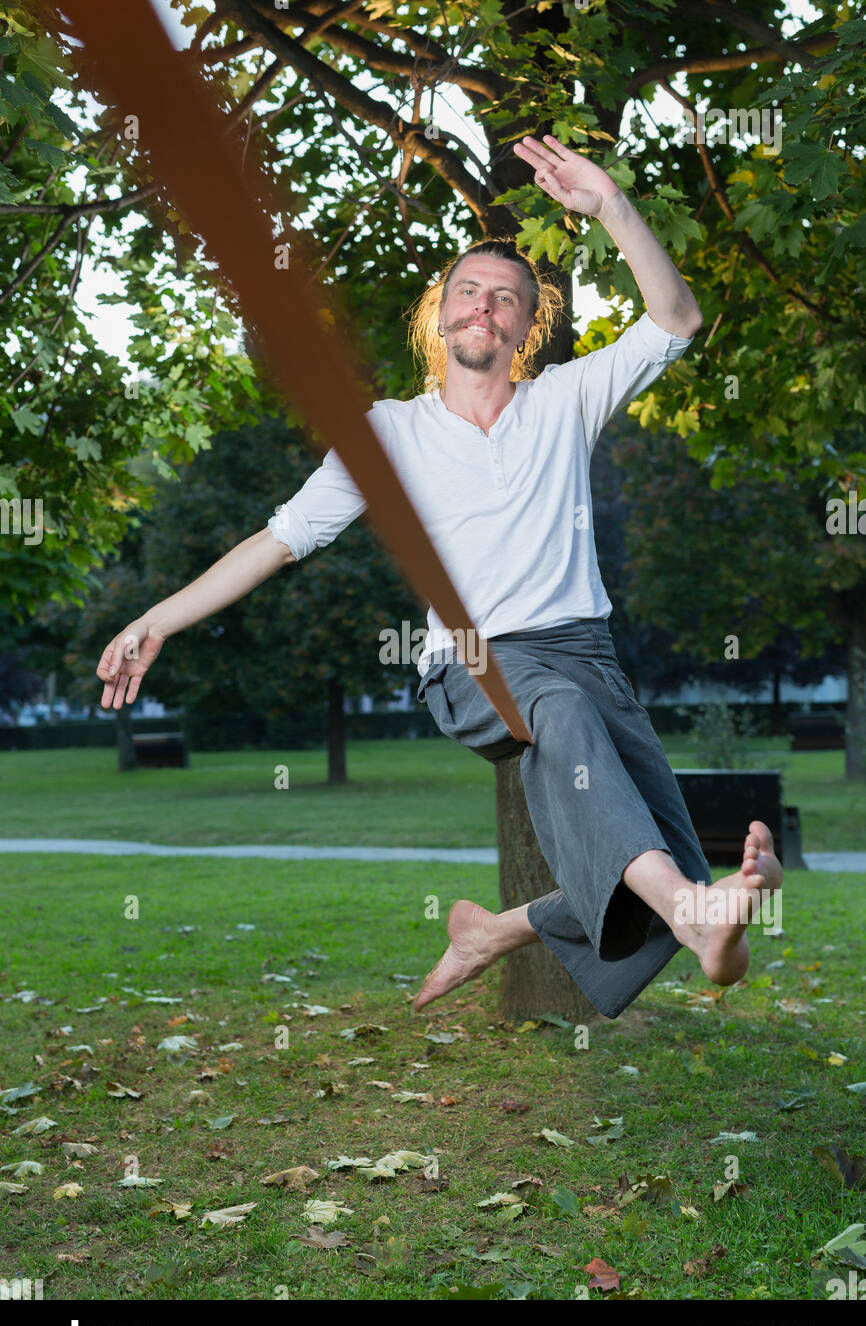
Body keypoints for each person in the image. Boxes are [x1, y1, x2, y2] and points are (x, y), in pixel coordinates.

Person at [97, 134, 782, 1020]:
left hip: (584, 653)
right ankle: (696, 914)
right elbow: (277, 541)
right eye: (469, 291)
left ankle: (505, 929)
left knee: (667, 874)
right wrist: (158, 618)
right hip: (474, 660)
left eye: (506, 297)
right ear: (442, 314)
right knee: (576, 736)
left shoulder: (564, 403)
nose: (485, 305)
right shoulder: (390, 433)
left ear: (525, 326)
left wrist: (611, 205)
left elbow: (677, 322)